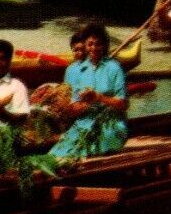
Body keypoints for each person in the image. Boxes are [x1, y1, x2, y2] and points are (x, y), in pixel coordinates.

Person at [50, 23, 128, 159]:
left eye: (98, 44)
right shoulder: (75, 71)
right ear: (85, 45)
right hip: (83, 124)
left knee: (92, 147)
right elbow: (72, 110)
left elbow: (123, 104)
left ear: (104, 45)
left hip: (111, 123)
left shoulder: (114, 68)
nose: (94, 48)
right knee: (57, 154)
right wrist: (87, 103)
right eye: (90, 44)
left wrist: (98, 97)